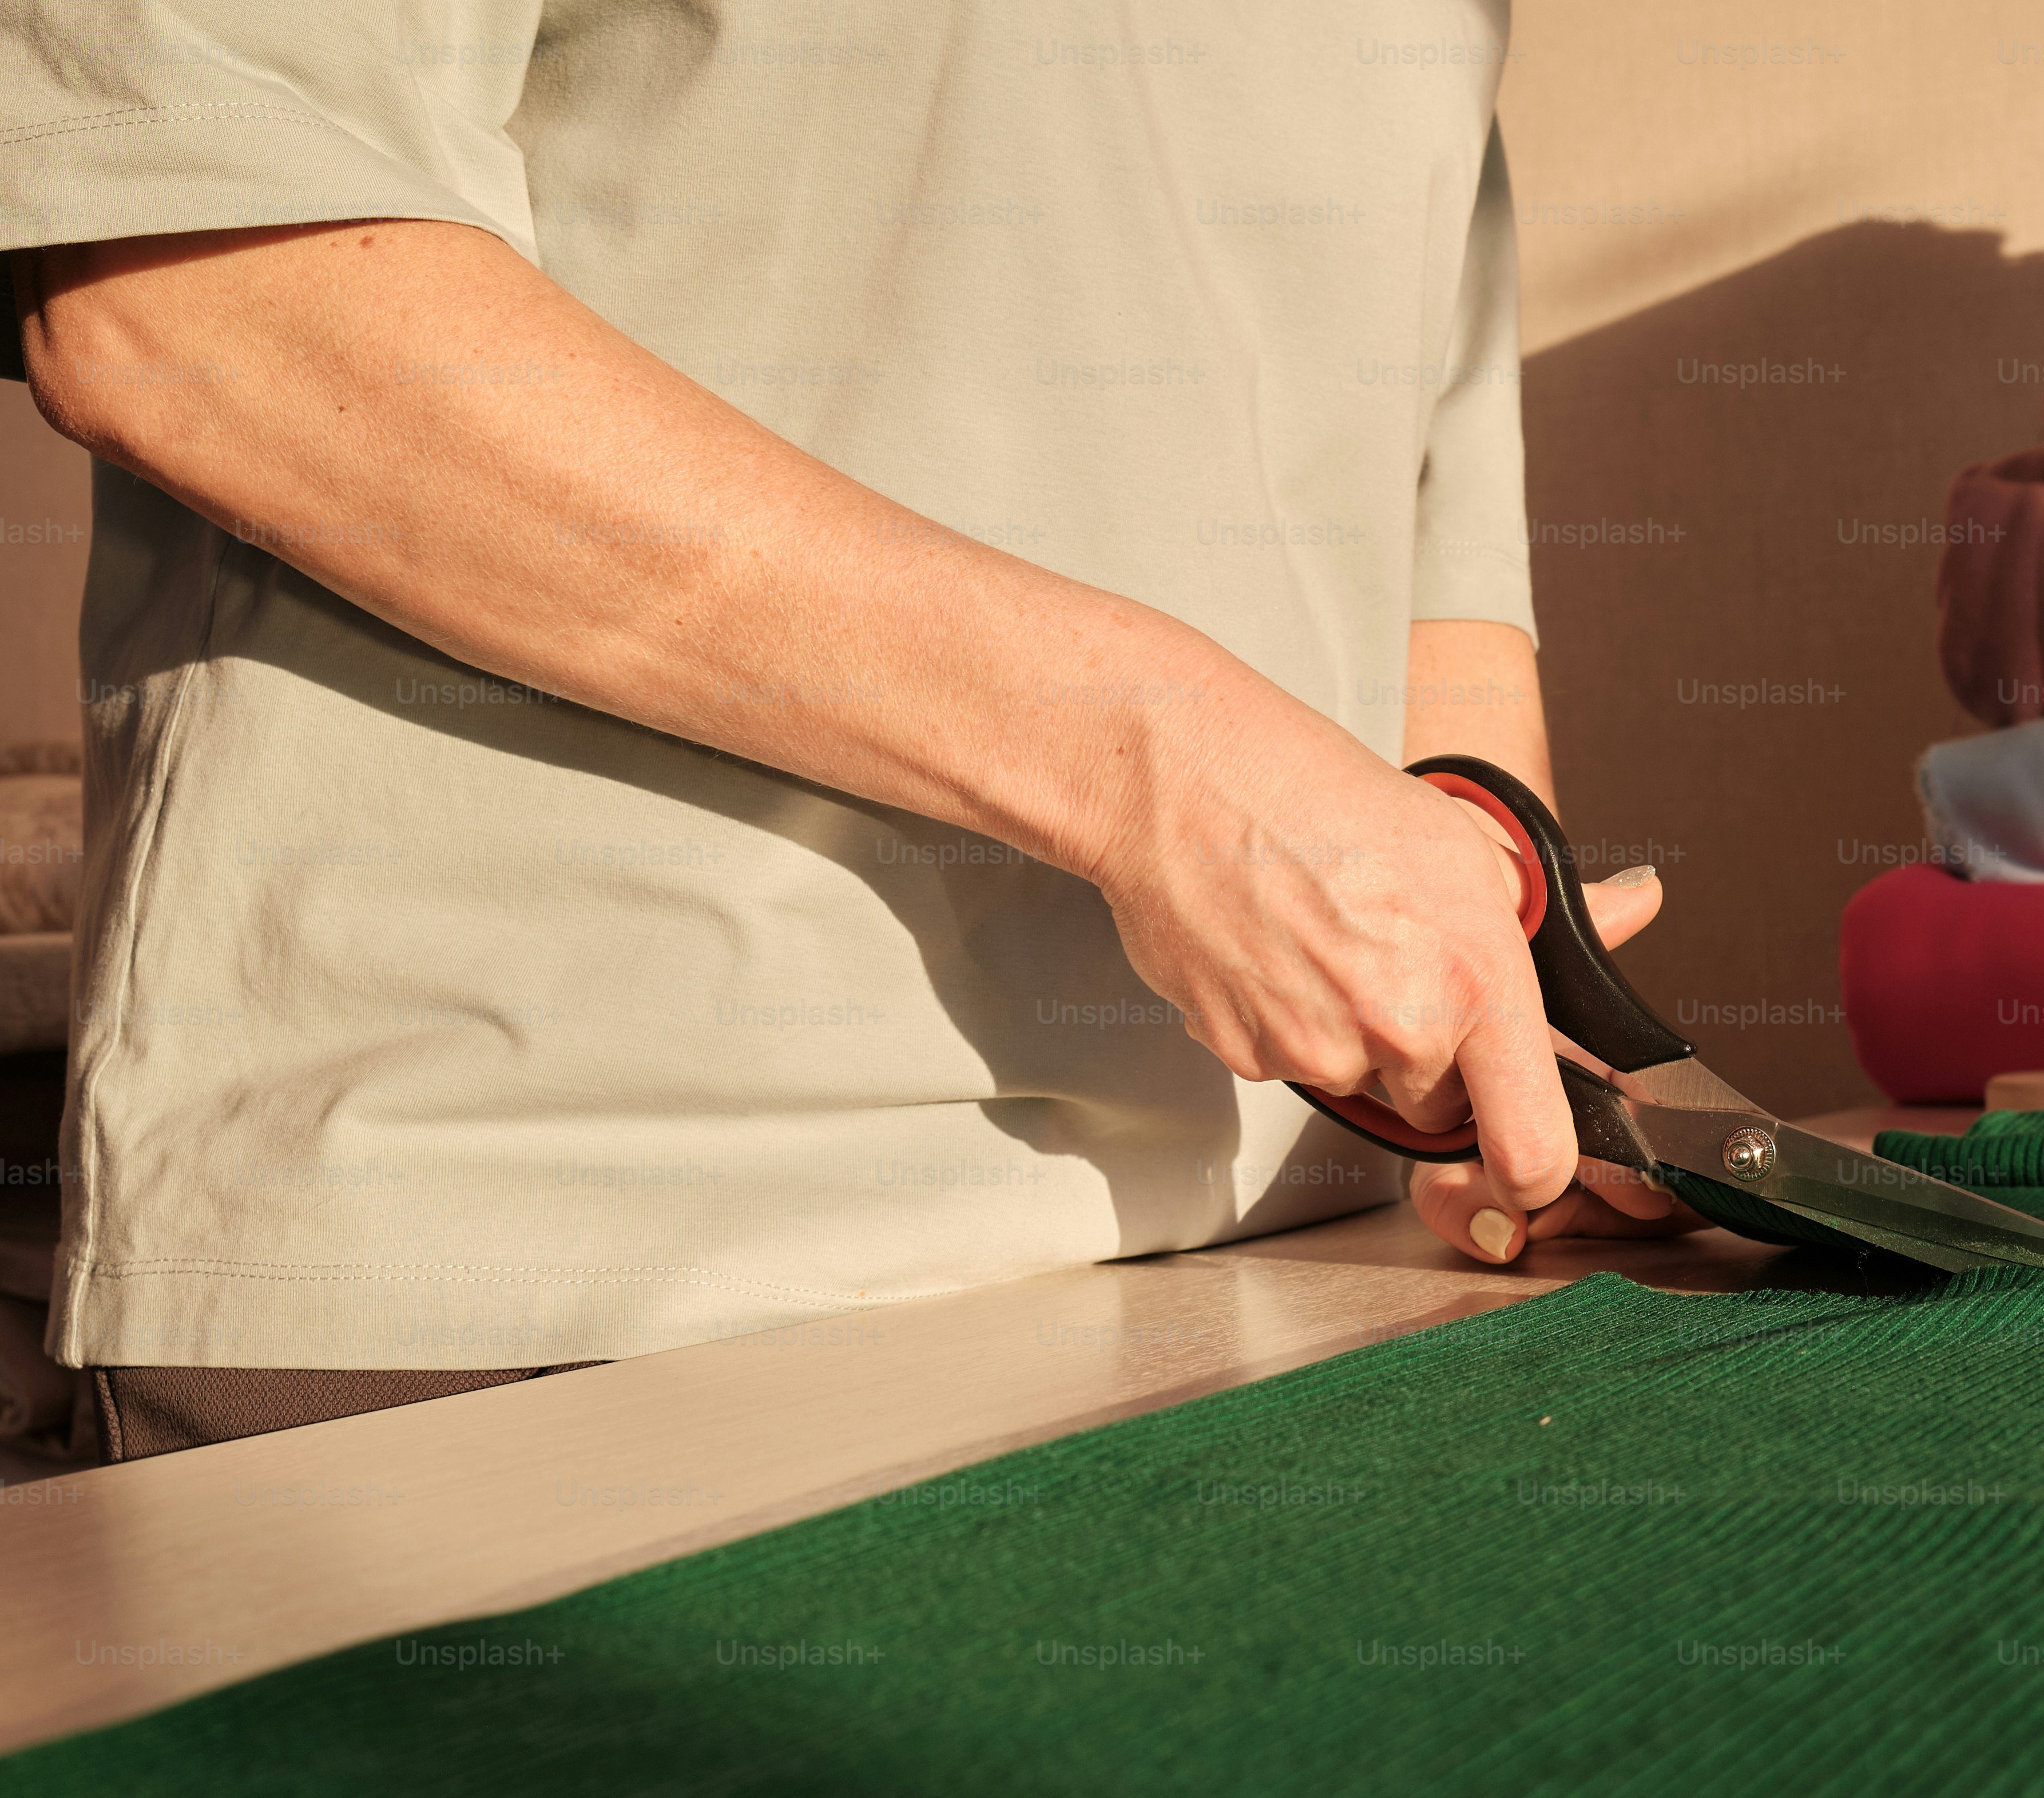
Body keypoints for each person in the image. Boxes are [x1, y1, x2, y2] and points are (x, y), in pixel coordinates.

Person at [0, 5, 1694, 1456]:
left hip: (1290, 1278)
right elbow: (198, 295)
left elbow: (1424, 559)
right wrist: (1148, 758)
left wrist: (1526, 1057)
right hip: (558, 1279)